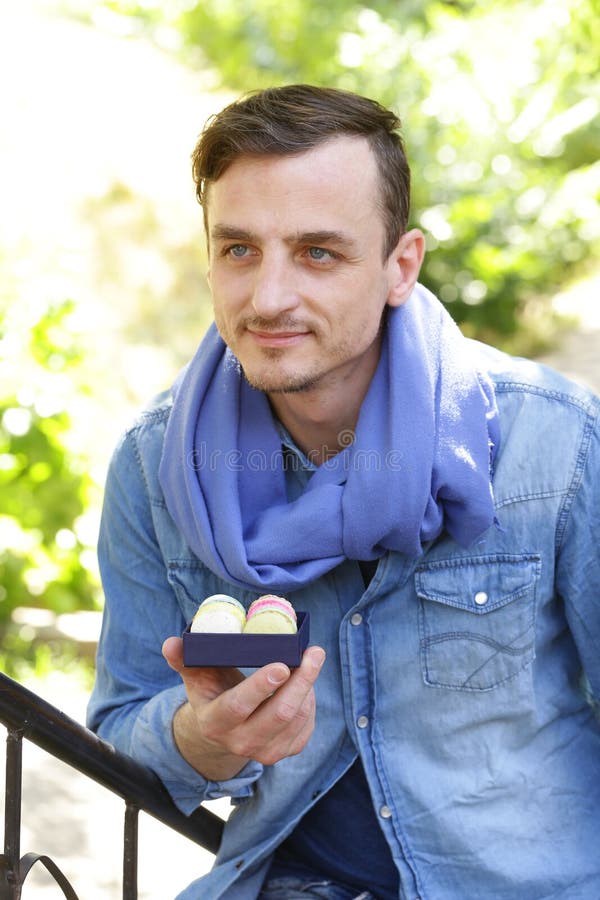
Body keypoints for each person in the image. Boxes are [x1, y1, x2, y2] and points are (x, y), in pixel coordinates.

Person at [87, 85, 600, 900]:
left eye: (319, 252)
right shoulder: (155, 470)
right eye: (239, 250)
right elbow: (123, 728)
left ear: (402, 266)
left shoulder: (557, 444)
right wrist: (204, 740)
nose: (268, 298)